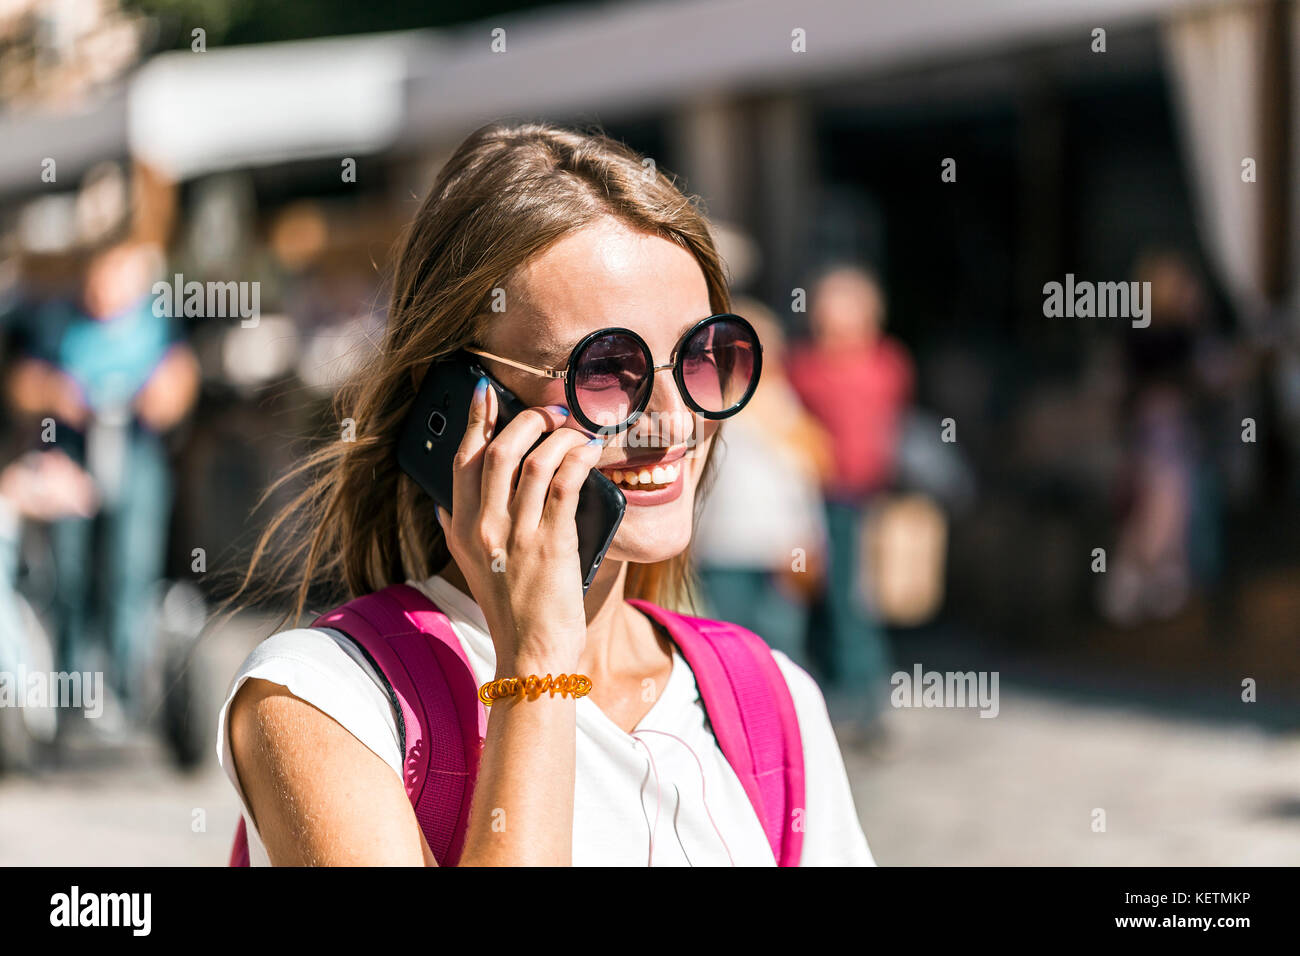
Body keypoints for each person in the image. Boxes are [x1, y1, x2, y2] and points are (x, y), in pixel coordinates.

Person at [219, 123, 874, 866]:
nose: (673, 420)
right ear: (463, 400)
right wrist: (535, 668)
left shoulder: (772, 702)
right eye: (605, 367)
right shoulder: (324, 699)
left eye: (701, 355)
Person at [6, 239, 199, 718]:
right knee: (68, 572)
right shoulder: (56, 322)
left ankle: (127, 686)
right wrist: (52, 392)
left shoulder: (158, 326)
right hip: (71, 458)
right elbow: (21, 384)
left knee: (130, 569)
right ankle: (72, 692)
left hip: (135, 452)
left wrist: (163, 395)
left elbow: (181, 379)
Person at [786, 266, 914, 730]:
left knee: (852, 599)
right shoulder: (806, 365)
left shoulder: (874, 365)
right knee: (826, 597)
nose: (825, 316)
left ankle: (861, 698)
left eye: (836, 305)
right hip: (813, 497)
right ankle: (839, 695)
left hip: (859, 498)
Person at [693, 298, 832, 674]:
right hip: (723, 547)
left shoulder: (786, 406)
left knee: (780, 651)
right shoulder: (706, 404)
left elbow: (804, 480)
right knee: (727, 647)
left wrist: (810, 539)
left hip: (777, 549)